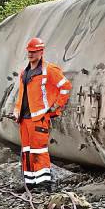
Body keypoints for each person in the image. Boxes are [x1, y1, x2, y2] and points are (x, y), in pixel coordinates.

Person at [9, 37, 70, 193]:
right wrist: (17, 111)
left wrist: (55, 106)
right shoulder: (25, 72)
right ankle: (30, 183)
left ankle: (43, 183)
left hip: (39, 118)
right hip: (25, 119)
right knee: (27, 151)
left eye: (34, 51)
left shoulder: (48, 70)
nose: (30, 54)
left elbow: (65, 87)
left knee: (39, 151)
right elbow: (22, 95)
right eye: (29, 51)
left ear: (41, 52)